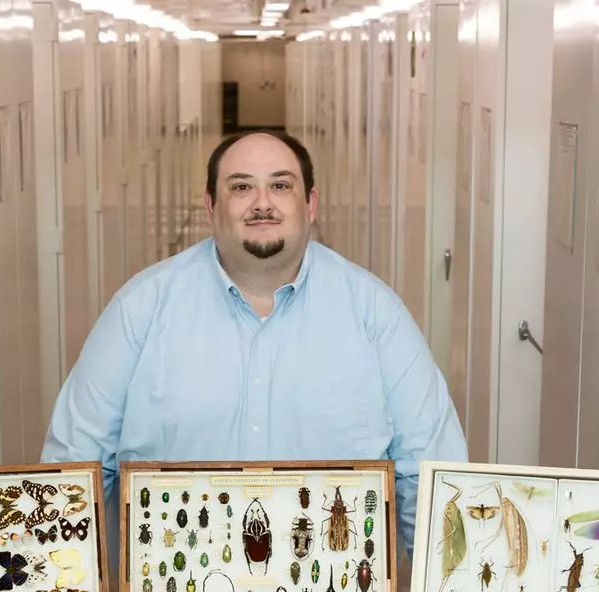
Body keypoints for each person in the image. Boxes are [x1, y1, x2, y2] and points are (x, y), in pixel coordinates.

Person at [41, 130, 467, 566]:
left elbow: (430, 473)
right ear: (210, 206)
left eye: (281, 185)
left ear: (310, 204)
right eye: (242, 186)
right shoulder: (140, 310)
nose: (262, 202)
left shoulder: (375, 313)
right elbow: (74, 471)